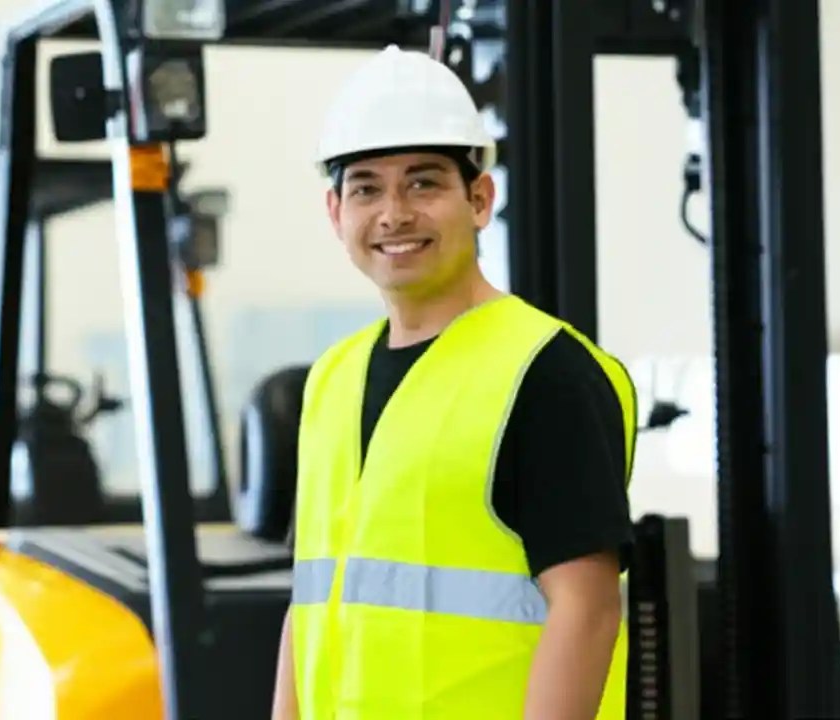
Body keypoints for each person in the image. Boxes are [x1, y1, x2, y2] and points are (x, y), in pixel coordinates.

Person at [270, 44, 637, 720]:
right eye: (367, 188)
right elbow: (311, 604)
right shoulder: (331, 379)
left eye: (423, 182)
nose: (394, 213)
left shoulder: (545, 370)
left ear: (479, 198)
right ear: (334, 212)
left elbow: (586, 609)